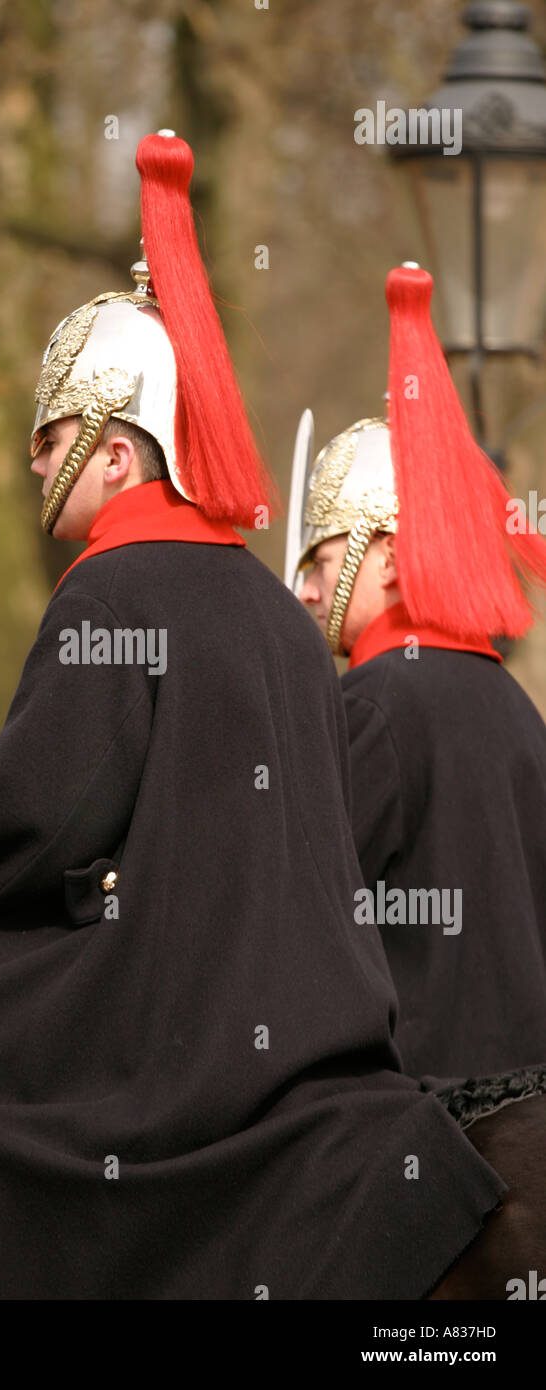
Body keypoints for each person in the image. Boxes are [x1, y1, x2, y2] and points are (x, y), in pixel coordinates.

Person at [0, 144, 505, 1301]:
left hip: (164, 1019)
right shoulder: (281, 622)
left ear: (116, 446)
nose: (32, 458)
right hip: (308, 1019)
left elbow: (41, 822)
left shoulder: (110, 587)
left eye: (49, 435)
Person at [289, 262, 546, 1081]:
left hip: (421, 1121)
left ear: (392, 562)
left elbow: (299, 918)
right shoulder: (512, 703)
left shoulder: (374, 701)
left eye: (323, 560)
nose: (304, 587)